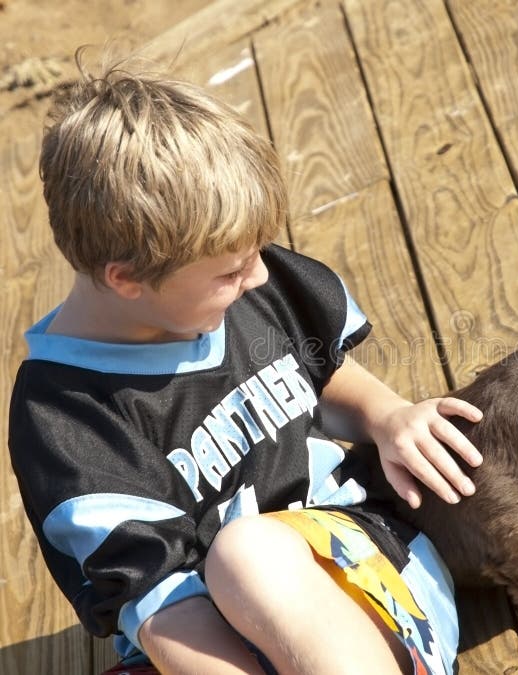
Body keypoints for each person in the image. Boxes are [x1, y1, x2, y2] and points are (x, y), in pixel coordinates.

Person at [8, 51, 483, 675]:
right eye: (231, 271)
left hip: (361, 587)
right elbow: (164, 611)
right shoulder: (68, 419)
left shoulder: (246, 286)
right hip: (203, 640)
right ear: (126, 279)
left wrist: (387, 415)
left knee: (246, 553)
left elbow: (322, 371)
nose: (259, 275)